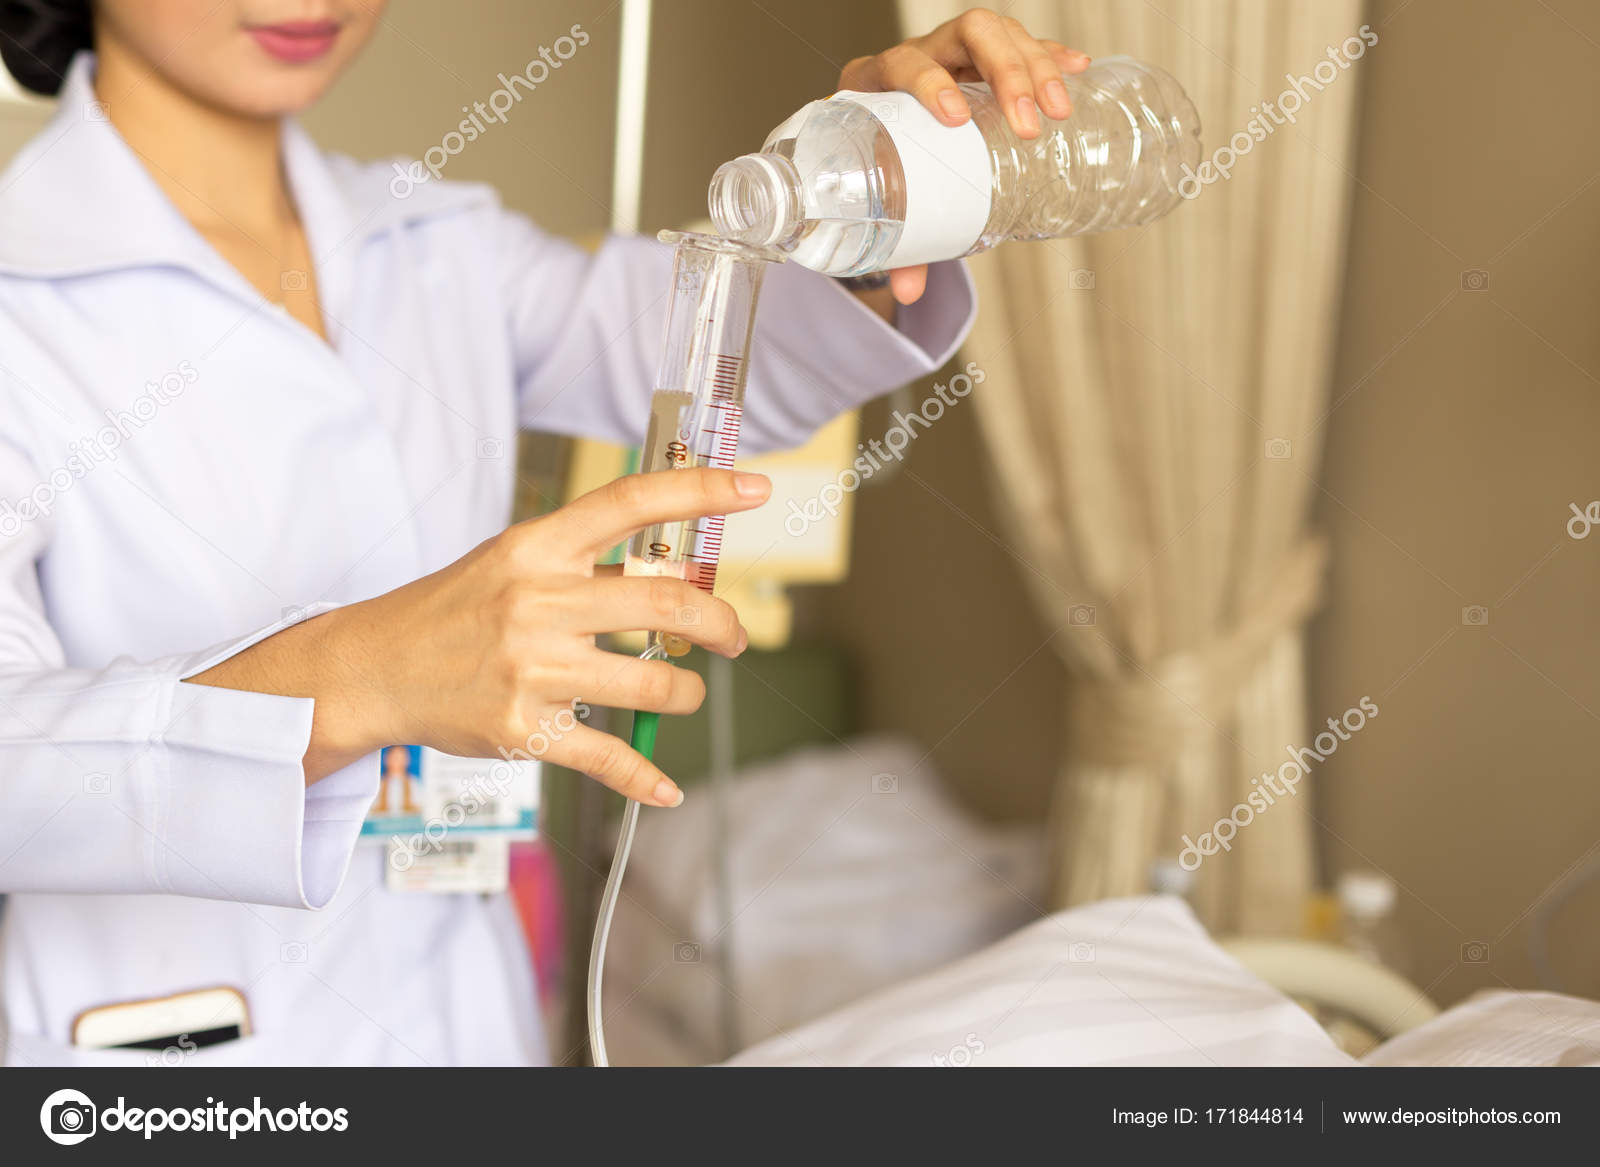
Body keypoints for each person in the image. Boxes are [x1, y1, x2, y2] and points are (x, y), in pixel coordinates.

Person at [0, 1, 1090, 1065]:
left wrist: (874, 191)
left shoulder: (437, 241)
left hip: (462, 1016)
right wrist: (359, 678)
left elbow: (721, 352)